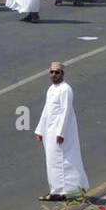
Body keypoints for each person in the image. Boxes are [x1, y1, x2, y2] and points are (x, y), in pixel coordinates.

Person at [35, 63, 89, 201]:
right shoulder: (51, 89)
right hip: (49, 130)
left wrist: (61, 132)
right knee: (52, 161)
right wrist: (40, 130)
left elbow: (66, 111)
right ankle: (56, 190)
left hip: (59, 131)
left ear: (62, 74)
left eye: (57, 72)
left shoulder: (66, 89)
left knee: (62, 161)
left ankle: (62, 191)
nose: (54, 75)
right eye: (52, 72)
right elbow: (46, 110)